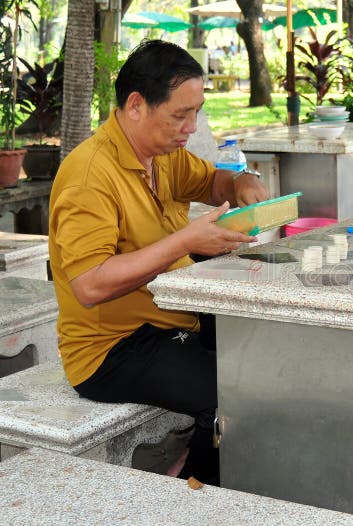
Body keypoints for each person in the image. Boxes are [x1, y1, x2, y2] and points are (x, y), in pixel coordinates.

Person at [48, 40, 269, 485]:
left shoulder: (161, 156)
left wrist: (242, 182)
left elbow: (214, 182)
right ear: (135, 105)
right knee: (235, 394)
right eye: (179, 115)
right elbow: (89, 285)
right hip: (112, 349)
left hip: (173, 316)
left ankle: (199, 463)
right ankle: (192, 489)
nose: (191, 127)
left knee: (268, 344)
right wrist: (185, 240)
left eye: (197, 113)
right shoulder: (90, 176)